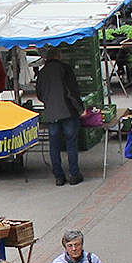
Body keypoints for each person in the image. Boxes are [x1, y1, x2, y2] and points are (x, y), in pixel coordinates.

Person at [35, 52, 85, 186]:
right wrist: (80, 108)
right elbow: (72, 92)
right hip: (68, 112)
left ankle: (59, 177)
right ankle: (74, 174)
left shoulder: (42, 72)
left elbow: (39, 94)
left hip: (51, 114)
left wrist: (49, 103)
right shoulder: (65, 69)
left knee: (54, 146)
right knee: (71, 143)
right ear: (59, 56)